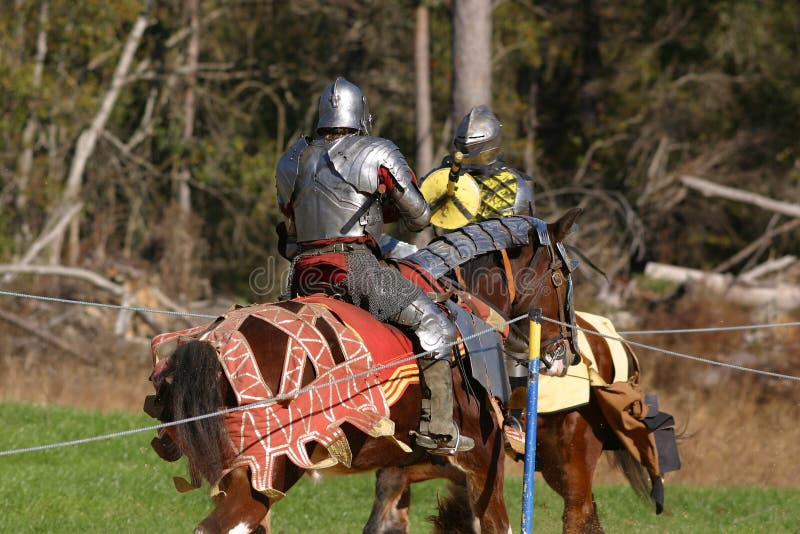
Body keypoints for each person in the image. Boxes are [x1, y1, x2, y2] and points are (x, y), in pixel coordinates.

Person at [275, 77, 474, 454]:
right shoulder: (374, 151)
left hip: (303, 273)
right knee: (436, 326)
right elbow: (418, 218)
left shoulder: (292, 158)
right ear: (360, 113)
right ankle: (438, 429)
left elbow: (290, 230)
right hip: (356, 270)